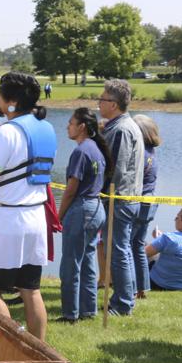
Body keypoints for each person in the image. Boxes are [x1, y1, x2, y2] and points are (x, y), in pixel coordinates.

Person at [0, 73, 56, 341]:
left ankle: (8, 344)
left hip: (6, 218)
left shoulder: (7, 132)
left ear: (11, 101)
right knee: (30, 288)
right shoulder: (47, 128)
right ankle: (39, 349)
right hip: (35, 215)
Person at [57, 107, 112, 323]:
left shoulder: (81, 152)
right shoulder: (96, 149)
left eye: (70, 123)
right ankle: (88, 310)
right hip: (96, 208)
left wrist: (59, 215)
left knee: (70, 264)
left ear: (81, 127)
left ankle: (70, 313)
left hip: (82, 209)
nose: (67, 127)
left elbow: (71, 189)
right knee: (87, 262)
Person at [98, 79, 145, 316]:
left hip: (119, 200)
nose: (98, 103)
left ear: (114, 104)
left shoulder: (121, 130)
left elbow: (115, 169)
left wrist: (98, 189)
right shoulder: (119, 126)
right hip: (125, 198)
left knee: (118, 251)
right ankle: (125, 297)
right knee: (120, 250)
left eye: (102, 99)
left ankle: (123, 303)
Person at [130, 114, 162, 299]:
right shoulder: (152, 152)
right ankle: (142, 288)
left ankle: (131, 289)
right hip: (150, 202)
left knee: (127, 246)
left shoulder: (141, 153)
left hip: (139, 202)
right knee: (138, 246)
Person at [146, 208, 182, 291]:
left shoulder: (168, 238)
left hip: (157, 283)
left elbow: (143, 254)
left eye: (177, 218)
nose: (174, 220)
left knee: (142, 246)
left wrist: (158, 240)